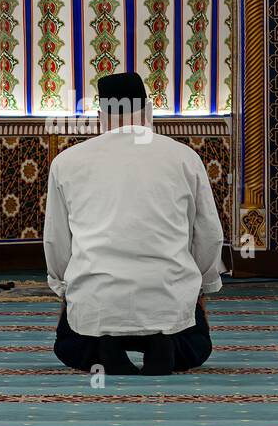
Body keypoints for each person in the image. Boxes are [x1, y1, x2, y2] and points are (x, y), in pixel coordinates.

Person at [43, 71, 225, 375]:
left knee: (70, 344)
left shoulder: (66, 162)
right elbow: (209, 236)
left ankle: (105, 347)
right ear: (148, 111)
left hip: (97, 298)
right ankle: (164, 343)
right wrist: (203, 286)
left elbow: (56, 242)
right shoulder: (184, 158)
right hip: (167, 296)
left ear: (101, 115)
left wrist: (64, 288)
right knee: (196, 344)